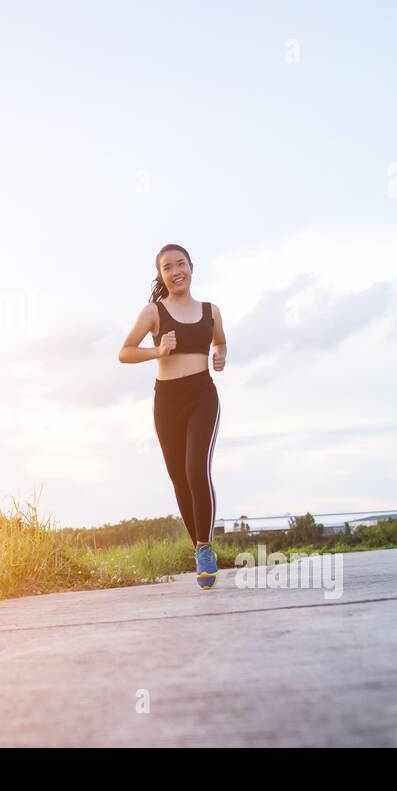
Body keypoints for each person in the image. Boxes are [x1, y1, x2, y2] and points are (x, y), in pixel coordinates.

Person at [117, 243, 227, 589]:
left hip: (202, 395)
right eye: (168, 267)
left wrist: (220, 356)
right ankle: (197, 544)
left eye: (181, 263)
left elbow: (219, 343)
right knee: (180, 478)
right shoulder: (153, 312)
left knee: (197, 468)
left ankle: (205, 548)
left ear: (192, 267)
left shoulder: (211, 310)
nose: (176, 271)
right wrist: (158, 350)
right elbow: (124, 352)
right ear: (161, 275)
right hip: (167, 401)